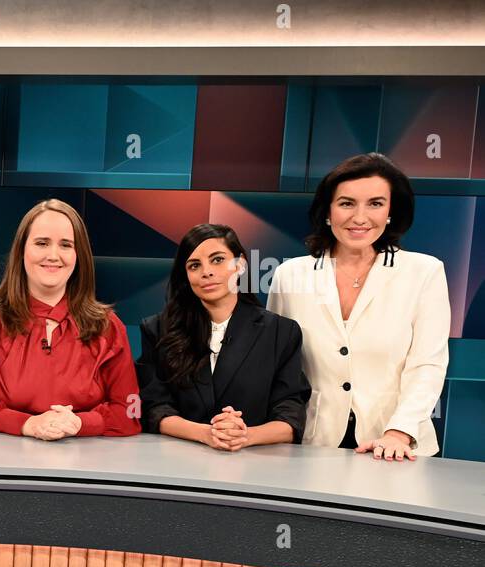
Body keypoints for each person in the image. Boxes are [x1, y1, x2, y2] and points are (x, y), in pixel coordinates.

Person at [267, 153, 450, 461]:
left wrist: (399, 431)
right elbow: (277, 365)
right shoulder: (290, 275)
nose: (360, 217)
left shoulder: (424, 272)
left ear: (391, 210)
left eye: (375, 203)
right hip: (311, 443)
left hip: (395, 446)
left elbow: (427, 365)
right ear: (328, 210)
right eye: (347, 203)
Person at [0, 198, 140, 440]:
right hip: (0, 463)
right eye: (42, 243)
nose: (53, 255)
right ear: (22, 251)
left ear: (79, 256)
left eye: (66, 245)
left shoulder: (108, 327)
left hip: (84, 465)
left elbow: (130, 413)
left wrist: (80, 423)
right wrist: (26, 424)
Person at [136, 224, 310, 451]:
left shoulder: (281, 332)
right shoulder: (157, 329)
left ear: (240, 265)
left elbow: (290, 414)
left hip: (256, 465)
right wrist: (206, 433)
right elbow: (154, 408)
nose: (206, 272)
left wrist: (245, 435)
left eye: (217, 260)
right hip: (179, 463)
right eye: (194, 265)